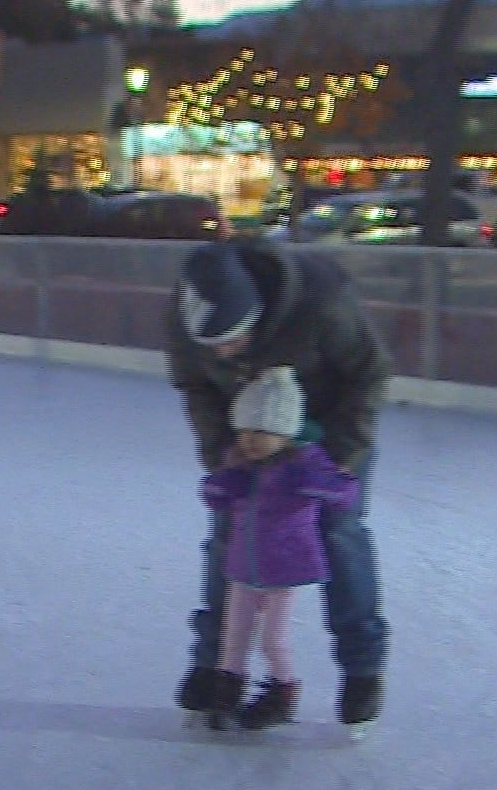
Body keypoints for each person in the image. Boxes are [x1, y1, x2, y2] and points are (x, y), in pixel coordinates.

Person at [167, 236, 392, 733]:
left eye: (235, 340)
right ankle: (214, 670)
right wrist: (221, 456)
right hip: (246, 439)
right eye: (213, 346)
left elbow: (370, 374)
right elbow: (195, 386)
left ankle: (362, 669)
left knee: (339, 533)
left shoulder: (321, 299)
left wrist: (336, 459)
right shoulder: (184, 313)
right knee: (229, 536)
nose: (224, 352)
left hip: (330, 431)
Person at [183, 367, 360, 730]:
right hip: (243, 567)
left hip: (285, 566)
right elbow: (213, 497)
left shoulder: (305, 463)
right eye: (245, 430)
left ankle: (283, 693)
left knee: (273, 640)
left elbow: (343, 493)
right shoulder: (242, 463)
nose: (250, 440)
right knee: (234, 638)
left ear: (285, 431)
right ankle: (226, 693)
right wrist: (221, 484)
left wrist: (316, 483)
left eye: (260, 432)